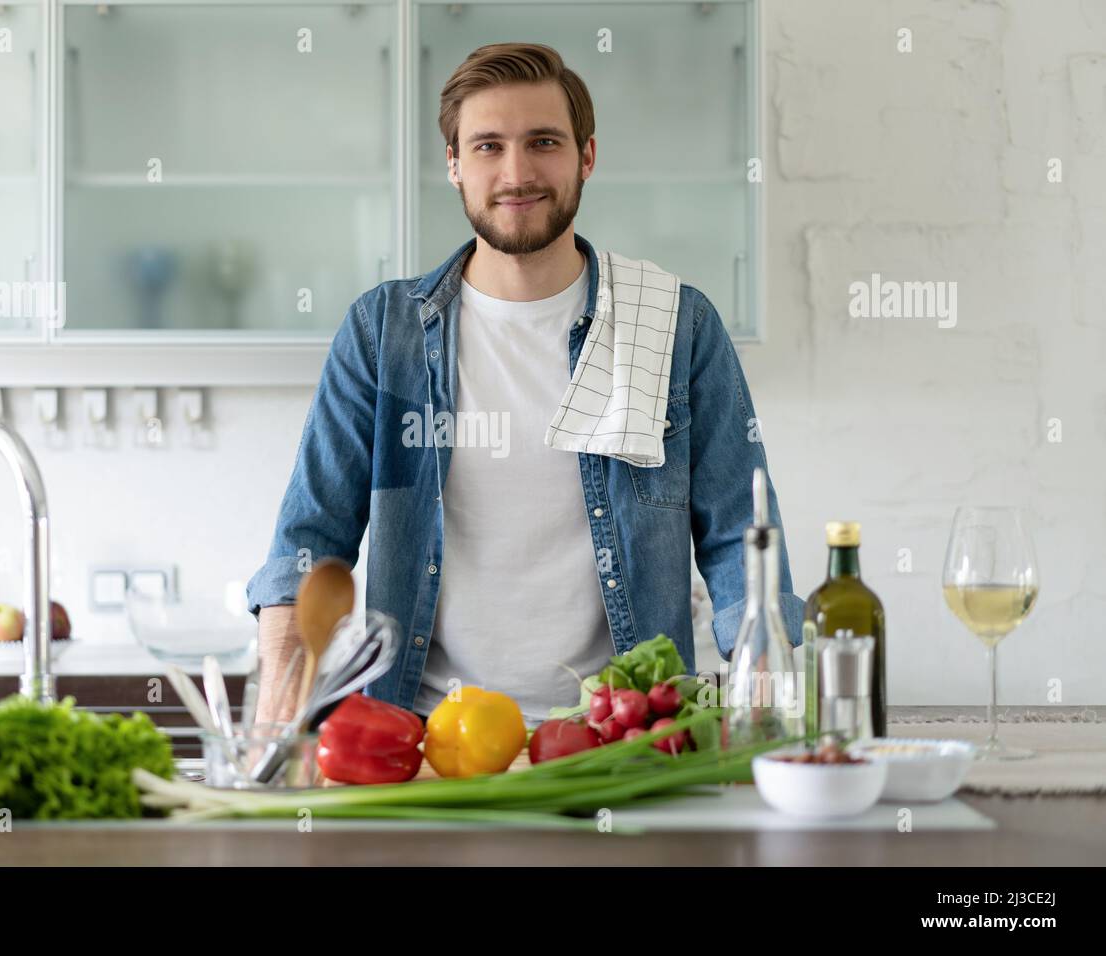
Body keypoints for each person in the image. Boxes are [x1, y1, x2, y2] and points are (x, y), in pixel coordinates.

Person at [247, 42, 804, 727]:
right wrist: (274, 721)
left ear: (586, 157)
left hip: (621, 741)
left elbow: (740, 540)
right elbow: (308, 542)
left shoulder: (675, 325)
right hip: (424, 746)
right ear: (453, 165)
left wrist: (776, 706)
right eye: (487, 146)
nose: (517, 172)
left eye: (544, 141)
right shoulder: (381, 333)